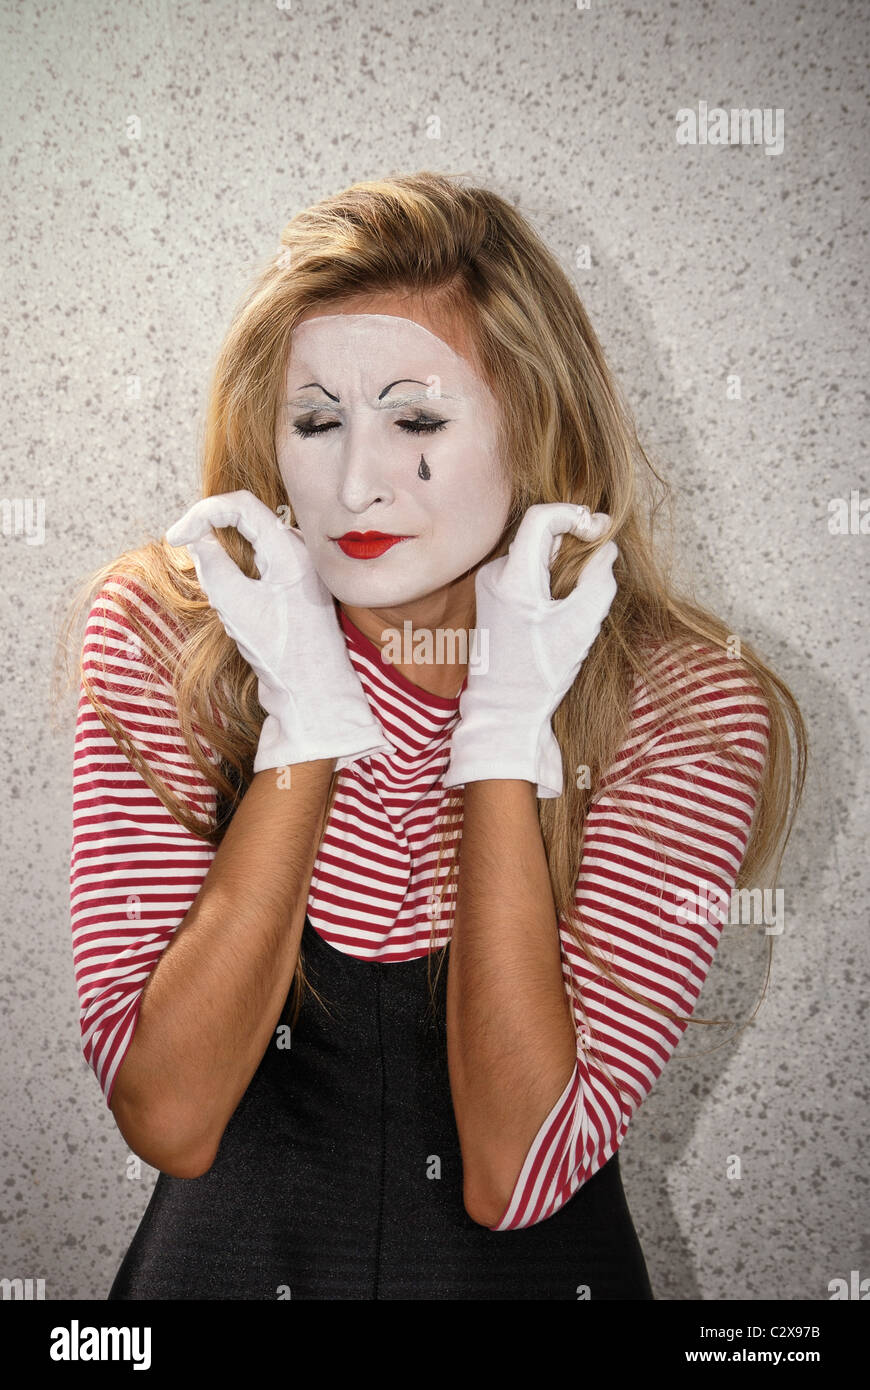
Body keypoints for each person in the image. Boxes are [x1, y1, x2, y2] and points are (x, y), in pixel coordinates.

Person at [65, 171, 807, 1300]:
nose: (360, 481)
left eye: (416, 418)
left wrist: (507, 728)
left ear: (538, 420)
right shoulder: (173, 640)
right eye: (317, 421)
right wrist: (305, 723)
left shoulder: (686, 703)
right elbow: (167, 1112)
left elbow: (516, 1168)